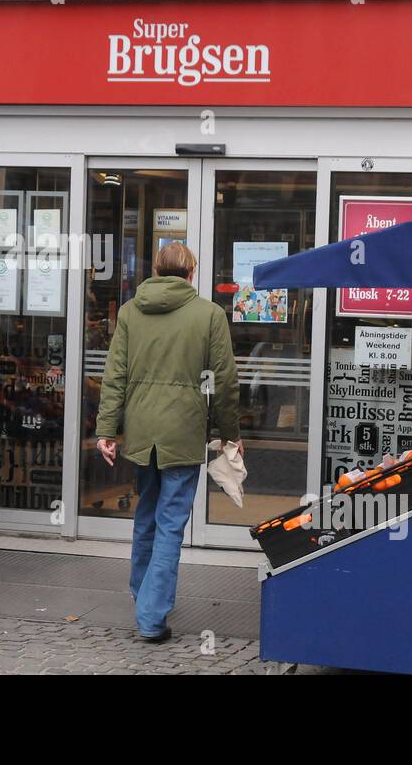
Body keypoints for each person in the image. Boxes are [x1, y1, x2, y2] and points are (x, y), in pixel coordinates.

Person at [95, 241, 241, 642]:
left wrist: (107, 430)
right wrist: (231, 434)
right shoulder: (209, 315)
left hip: (142, 433)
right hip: (183, 432)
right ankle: (152, 617)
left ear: (156, 271)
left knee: (146, 516)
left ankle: (142, 592)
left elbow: (115, 377)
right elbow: (225, 382)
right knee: (171, 524)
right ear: (191, 273)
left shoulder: (129, 312)